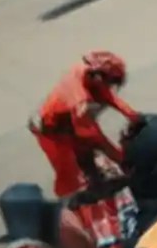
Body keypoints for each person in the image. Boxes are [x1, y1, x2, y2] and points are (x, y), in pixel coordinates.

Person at [30, 51, 143, 199]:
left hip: (71, 121)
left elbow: (109, 97)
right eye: (111, 82)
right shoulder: (79, 97)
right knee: (68, 169)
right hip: (50, 129)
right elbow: (92, 134)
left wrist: (133, 116)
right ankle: (69, 200)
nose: (111, 87)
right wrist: (119, 158)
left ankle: (95, 179)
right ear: (98, 76)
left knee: (87, 151)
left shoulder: (91, 75)